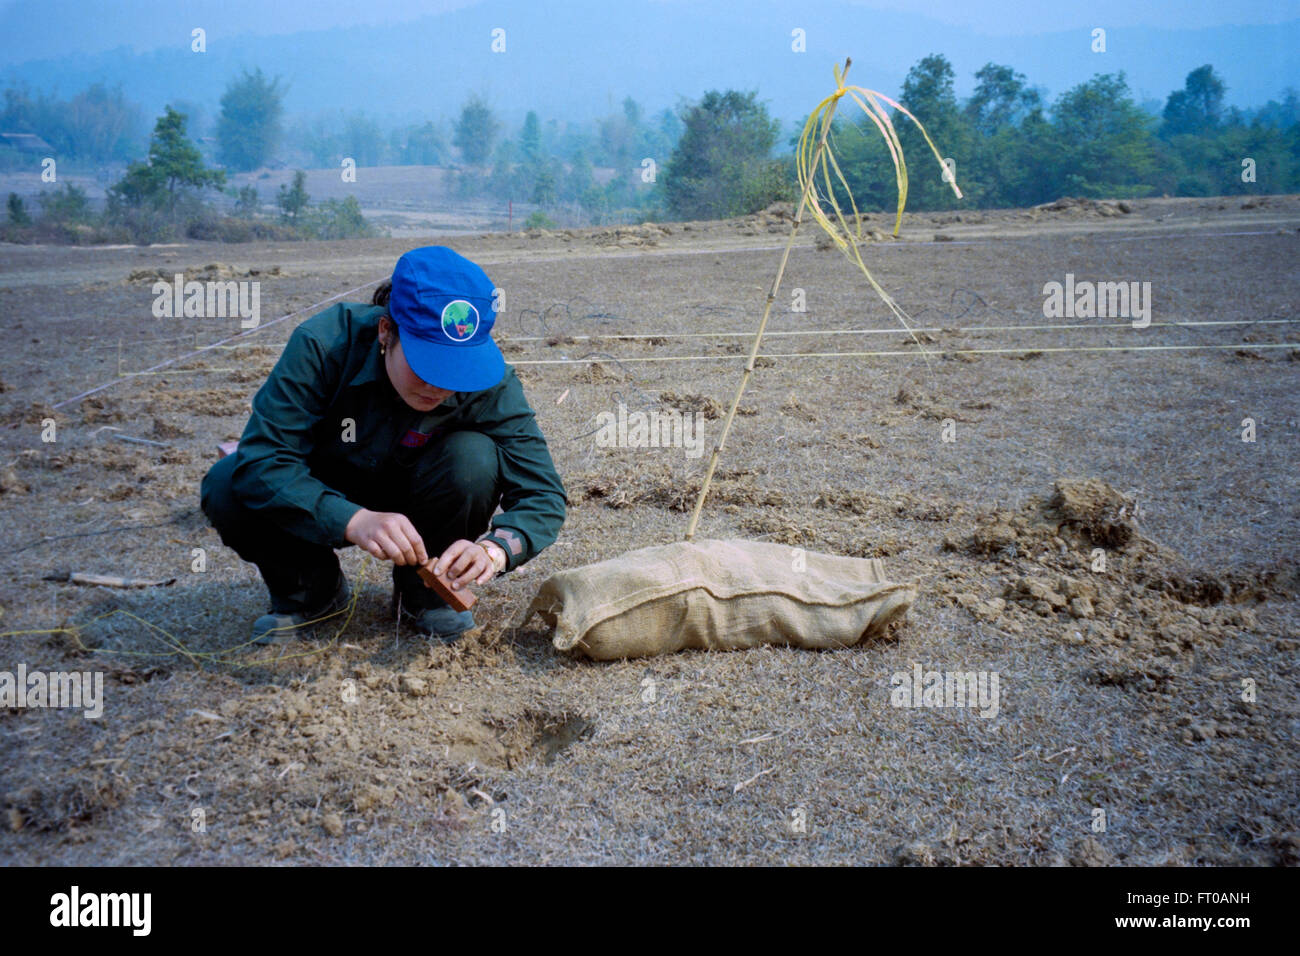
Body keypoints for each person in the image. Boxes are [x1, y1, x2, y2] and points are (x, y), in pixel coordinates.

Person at [200, 245, 567, 644]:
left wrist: (496, 550)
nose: (440, 386)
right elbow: (263, 459)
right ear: (385, 331)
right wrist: (352, 519)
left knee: (473, 457)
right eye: (426, 365)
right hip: (325, 485)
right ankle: (310, 592)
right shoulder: (323, 345)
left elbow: (542, 493)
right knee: (227, 484)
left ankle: (424, 598)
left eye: (455, 369)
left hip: (423, 492)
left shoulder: (486, 380)